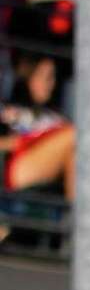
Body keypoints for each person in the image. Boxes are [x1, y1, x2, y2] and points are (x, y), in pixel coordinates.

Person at [1, 52, 73, 198]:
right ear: (29, 77)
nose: (50, 85)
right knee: (73, 136)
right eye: (45, 77)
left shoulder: (55, 117)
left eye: (53, 78)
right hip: (15, 168)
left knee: (75, 150)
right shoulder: (10, 111)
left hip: (48, 168)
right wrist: (19, 141)